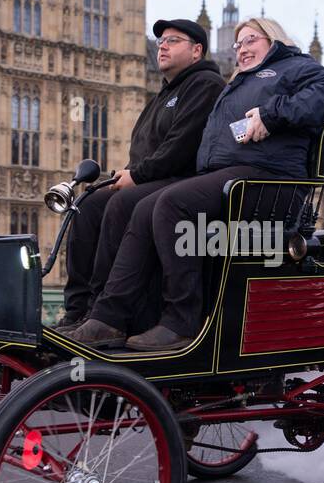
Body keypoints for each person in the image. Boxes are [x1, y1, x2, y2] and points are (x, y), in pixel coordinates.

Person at [67, 17, 324, 351]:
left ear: (273, 40)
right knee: (145, 206)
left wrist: (272, 115)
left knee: (172, 204)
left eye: (251, 41)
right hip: (231, 177)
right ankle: (108, 317)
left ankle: (181, 322)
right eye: (238, 44)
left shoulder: (295, 66)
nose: (243, 48)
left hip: (267, 183)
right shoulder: (237, 83)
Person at [57, 18, 225, 330]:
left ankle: (108, 315)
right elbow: (144, 149)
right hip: (152, 178)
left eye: (173, 41)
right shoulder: (164, 93)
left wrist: (137, 175)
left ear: (196, 51)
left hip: (183, 182)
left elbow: (181, 147)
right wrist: (129, 173)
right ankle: (79, 308)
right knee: (88, 206)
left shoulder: (206, 86)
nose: (162, 45)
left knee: (123, 203)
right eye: (160, 40)